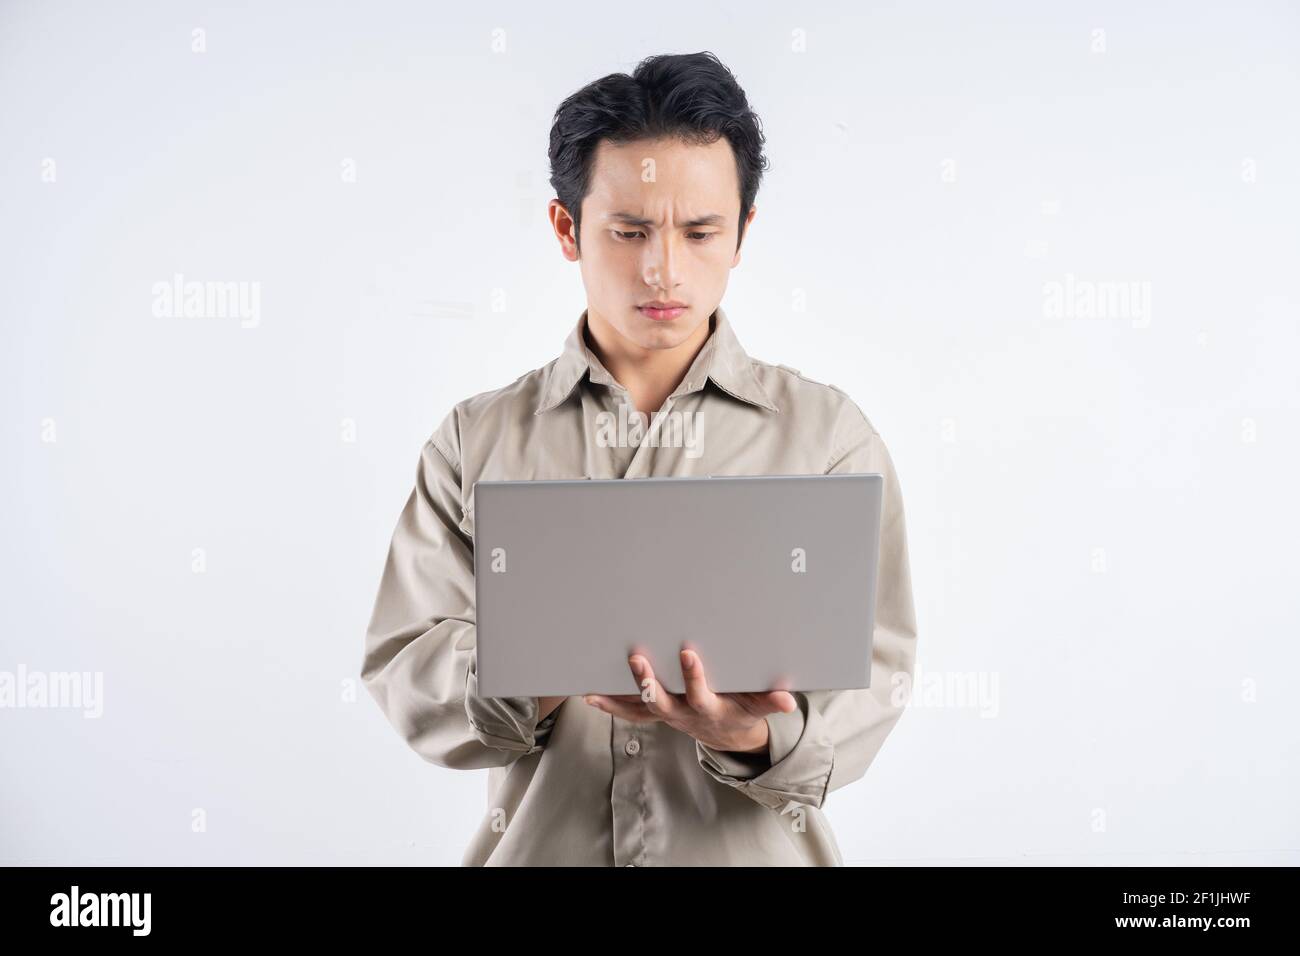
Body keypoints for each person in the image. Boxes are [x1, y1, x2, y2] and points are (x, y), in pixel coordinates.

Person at [360, 51, 917, 866]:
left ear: (742, 235)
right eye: (629, 231)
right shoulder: (473, 442)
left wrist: (754, 733)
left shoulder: (829, 438)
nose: (664, 269)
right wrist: (537, 667)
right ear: (566, 228)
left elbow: (877, 674)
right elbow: (406, 674)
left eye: (700, 232)